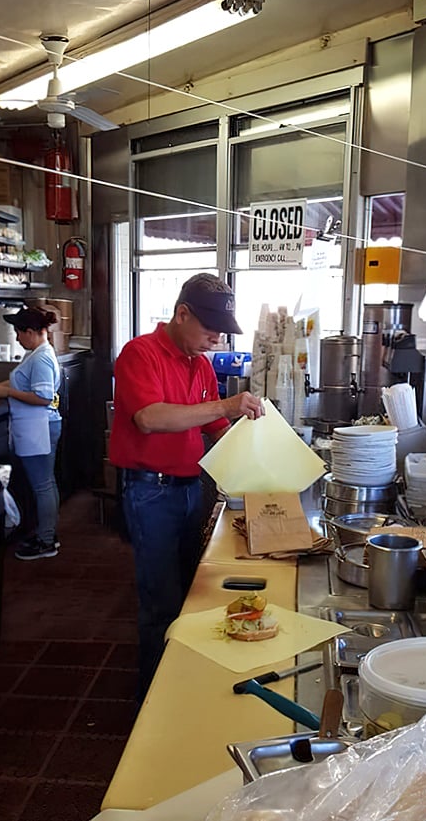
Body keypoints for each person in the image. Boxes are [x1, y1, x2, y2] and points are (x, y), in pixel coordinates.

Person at [109, 273, 263, 697]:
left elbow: (215, 426)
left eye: (221, 333)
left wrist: (261, 461)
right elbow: (151, 418)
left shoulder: (199, 364)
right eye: (210, 330)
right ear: (182, 314)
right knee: (160, 600)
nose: (215, 341)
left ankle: (181, 683)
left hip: (191, 489)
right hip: (151, 492)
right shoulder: (140, 354)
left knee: (190, 590)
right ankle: (152, 698)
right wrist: (225, 404)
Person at [0, 306, 63, 561]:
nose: (17, 338)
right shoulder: (38, 353)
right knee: (45, 483)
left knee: (42, 485)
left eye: (19, 332)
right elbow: (20, 381)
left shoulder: (40, 357)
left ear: (30, 332)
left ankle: (46, 540)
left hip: (39, 427)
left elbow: (42, 397)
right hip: (39, 426)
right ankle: (46, 534)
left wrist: (7, 393)